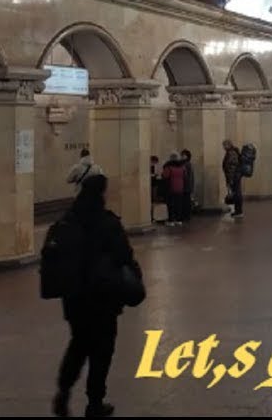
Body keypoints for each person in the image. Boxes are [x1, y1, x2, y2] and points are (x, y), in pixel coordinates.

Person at [53, 174, 140, 418]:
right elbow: (124, 255)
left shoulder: (68, 220)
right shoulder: (107, 222)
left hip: (74, 297)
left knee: (78, 345)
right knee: (102, 351)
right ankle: (94, 403)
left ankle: (63, 392)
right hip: (103, 297)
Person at [161, 153, 187, 225]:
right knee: (178, 204)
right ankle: (178, 219)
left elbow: (165, 176)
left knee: (171, 204)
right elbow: (185, 176)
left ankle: (171, 220)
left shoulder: (168, 167)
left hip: (171, 187)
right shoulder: (182, 167)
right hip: (180, 187)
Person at [221, 140, 244, 218]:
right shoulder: (232, 152)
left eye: (224, 145)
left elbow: (232, 167)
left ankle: (239, 212)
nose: (223, 147)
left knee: (237, 194)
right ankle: (238, 211)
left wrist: (230, 180)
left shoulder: (231, 153)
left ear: (229, 145)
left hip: (234, 177)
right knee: (236, 193)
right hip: (235, 176)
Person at [179, 149, 196, 221]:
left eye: (184, 155)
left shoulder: (187, 164)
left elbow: (189, 177)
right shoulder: (184, 164)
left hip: (186, 186)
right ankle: (185, 216)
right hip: (184, 186)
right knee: (185, 202)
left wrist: (190, 187)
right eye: (182, 155)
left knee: (186, 202)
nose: (182, 156)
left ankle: (186, 216)